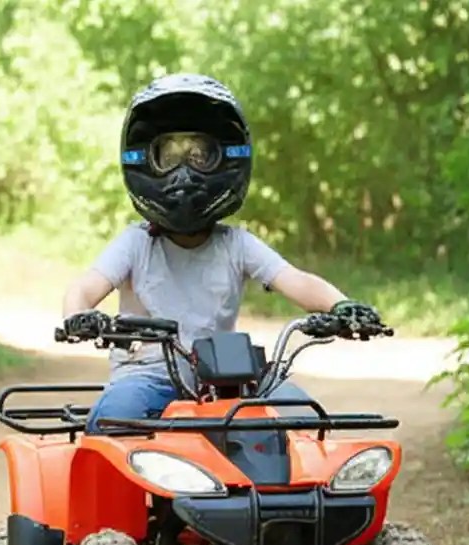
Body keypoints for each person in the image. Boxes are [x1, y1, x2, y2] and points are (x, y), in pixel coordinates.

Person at [60, 73, 380, 433]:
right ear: (146, 161)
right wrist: (78, 316)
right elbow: (86, 287)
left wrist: (342, 306)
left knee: (301, 418)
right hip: (148, 374)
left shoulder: (236, 244)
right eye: (168, 155)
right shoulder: (137, 243)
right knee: (112, 420)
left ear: (226, 159)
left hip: (227, 378)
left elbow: (298, 281)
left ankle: (296, 491)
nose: (184, 171)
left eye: (201, 155)